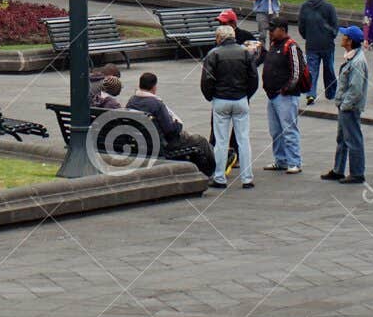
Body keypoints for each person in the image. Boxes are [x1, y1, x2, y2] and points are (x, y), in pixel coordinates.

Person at [200, 24, 258, 189]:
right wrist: (247, 95)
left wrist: (210, 96)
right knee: (243, 139)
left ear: (219, 38)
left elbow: (207, 80)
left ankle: (219, 177)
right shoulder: (245, 53)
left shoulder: (214, 54)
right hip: (241, 98)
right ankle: (247, 178)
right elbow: (253, 77)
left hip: (221, 99)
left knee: (221, 140)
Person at [127, 72, 215, 176]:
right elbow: (170, 130)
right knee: (200, 140)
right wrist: (177, 124)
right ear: (154, 87)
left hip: (141, 142)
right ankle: (211, 170)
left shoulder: (132, 101)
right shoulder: (156, 104)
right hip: (163, 144)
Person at [322, 26, 369, 183]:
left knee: (353, 139)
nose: (341, 38)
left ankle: (357, 173)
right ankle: (338, 170)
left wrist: (344, 105)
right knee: (342, 138)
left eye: (344, 36)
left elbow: (355, 89)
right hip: (345, 105)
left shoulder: (357, 62)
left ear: (350, 41)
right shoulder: (353, 57)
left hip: (350, 107)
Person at [260, 15, 305, 173]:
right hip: (272, 95)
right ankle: (281, 160)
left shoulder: (291, 46)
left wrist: (286, 89)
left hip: (285, 96)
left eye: (273, 29)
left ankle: (294, 162)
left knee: (289, 129)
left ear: (283, 30)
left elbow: (297, 72)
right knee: (276, 131)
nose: (270, 32)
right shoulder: (274, 45)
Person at [298, 0, 339, 105]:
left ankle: (311, 94)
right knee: (329, 69)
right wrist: (332, 35)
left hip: (311, 44)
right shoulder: (329, 7)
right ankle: (330, 93)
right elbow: (335, 26)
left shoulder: (305, 6)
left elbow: (301, 26)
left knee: (311, 69)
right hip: (327, 44)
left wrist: (307, 36)